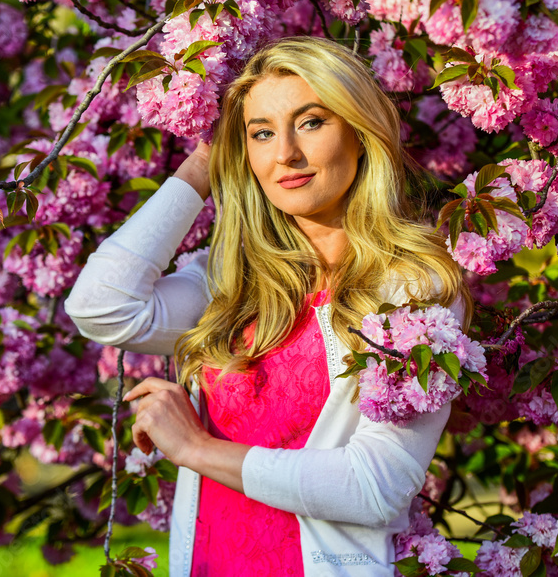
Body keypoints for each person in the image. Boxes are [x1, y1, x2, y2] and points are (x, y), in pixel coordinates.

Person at [64, 36, 472, 576]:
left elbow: (375, 489)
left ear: (360, 131)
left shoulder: (413, 287)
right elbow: (100, 307)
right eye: (261, 134)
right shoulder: (231, 280)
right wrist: (203, 163)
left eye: (311, 122)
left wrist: (196, 449)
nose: (285, 154)